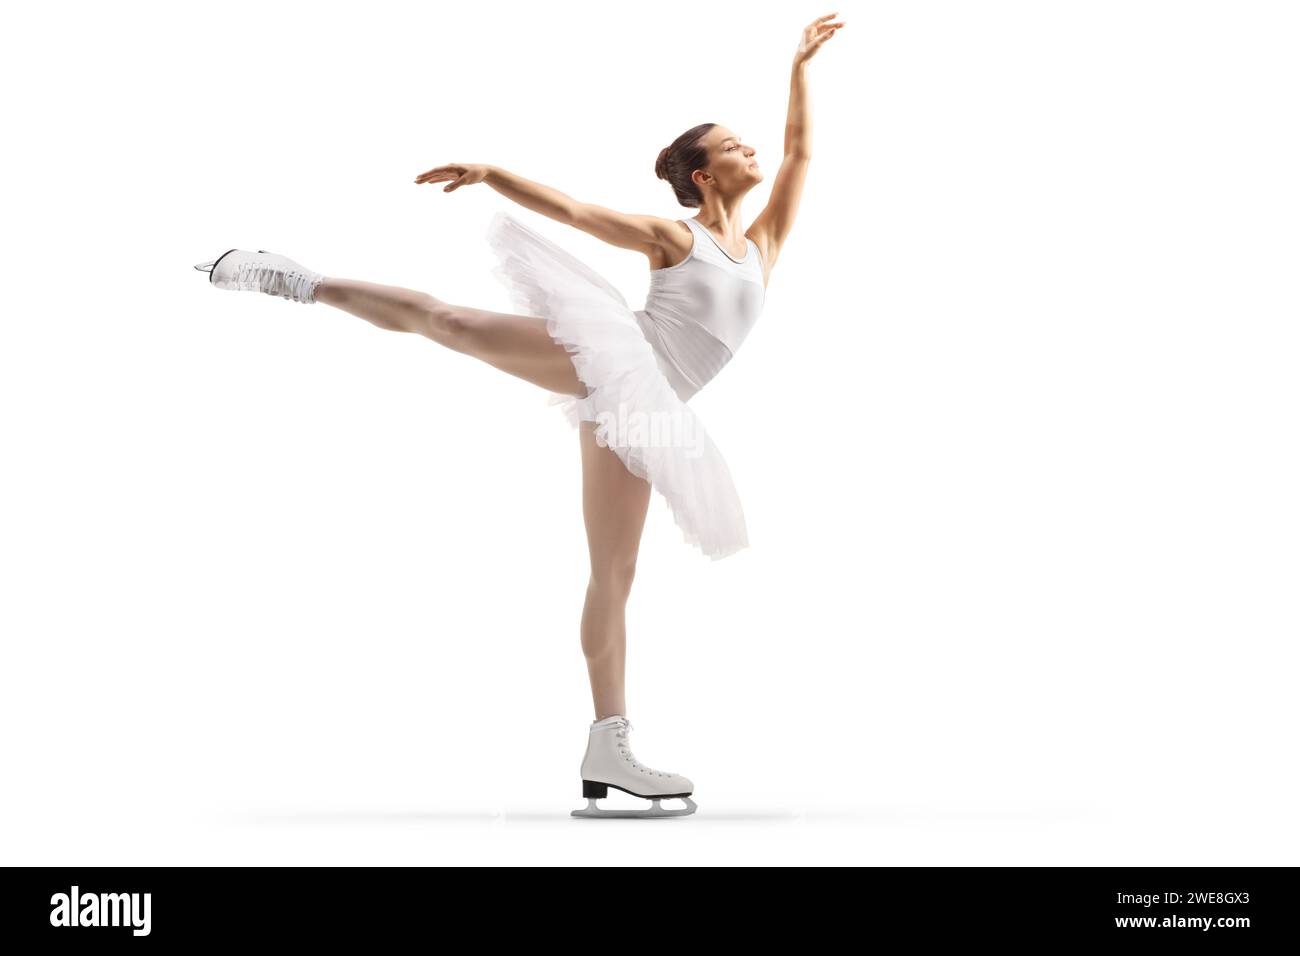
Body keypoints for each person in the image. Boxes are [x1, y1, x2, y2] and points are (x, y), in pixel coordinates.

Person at [194, 14, 844, 817]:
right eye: (735, 148)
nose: (754, 153)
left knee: (615, 574)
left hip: (650, 411)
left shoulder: (765, 244)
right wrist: (495, 171)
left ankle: (609, 741)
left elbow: (804, 153)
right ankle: (290, 279)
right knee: (454, 323)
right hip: (623, 359)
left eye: (750, 145)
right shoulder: (674, 238)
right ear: (703, 178)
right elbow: (573, 213)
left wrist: (801, 67)